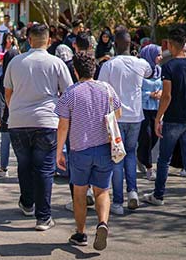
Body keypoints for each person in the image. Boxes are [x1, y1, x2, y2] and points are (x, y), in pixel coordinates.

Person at [4, 23, 73, 231]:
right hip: (46, 121)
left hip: (18, 121)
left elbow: (7, 92)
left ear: (29, 40)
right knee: (44, 170)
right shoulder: (56, 63)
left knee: (24, 165)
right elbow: (68, 93)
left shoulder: (15, 62)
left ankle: (27, 203)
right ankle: (43, 217)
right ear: (49, 40)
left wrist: (16, 109)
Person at [56, 53, 118, 251]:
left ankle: (81, 233)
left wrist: (59, 152)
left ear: (75, 71)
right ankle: (102, 223)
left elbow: (63, 126)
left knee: (80, 192)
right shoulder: (107, 89)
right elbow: (118, 113)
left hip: (79, 150)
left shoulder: (70, 93)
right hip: (104, 149)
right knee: (102, 190)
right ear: (94, 70)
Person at [143, 29, 186, 217]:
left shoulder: (169, 67)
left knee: (164, 160)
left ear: (170, 45)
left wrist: (158, 117)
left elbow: (166, 96)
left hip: (173, 120)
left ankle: (158, 195)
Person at [96, 30, 152, 215]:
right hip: (136, 116)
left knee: (117, 157)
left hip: (116, 117)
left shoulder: (109, 65)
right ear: (130, 44)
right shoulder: (141, 63)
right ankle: (133, 192)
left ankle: (118, 203)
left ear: (115, 44)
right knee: (130, 153)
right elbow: (150, 72)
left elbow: (101, 89)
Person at [0, 34, 20, 177]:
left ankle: (3, 167)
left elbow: (3, 98)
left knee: (5, 142)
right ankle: (23, 166)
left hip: (8, 114)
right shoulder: (23, 74)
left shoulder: (5, 76)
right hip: (21, 113)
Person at [138, 44, 163, 182]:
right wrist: (150, 94)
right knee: (146, 136)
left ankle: (140, 156)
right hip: (143, 108)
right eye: (157, 55)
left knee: (155, 137)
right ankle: (149, 167)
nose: (160, 58)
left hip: (157, 109)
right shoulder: (141, 71)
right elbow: (136, 91)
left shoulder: (160, 71)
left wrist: (160, 93)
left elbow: (164, 86)